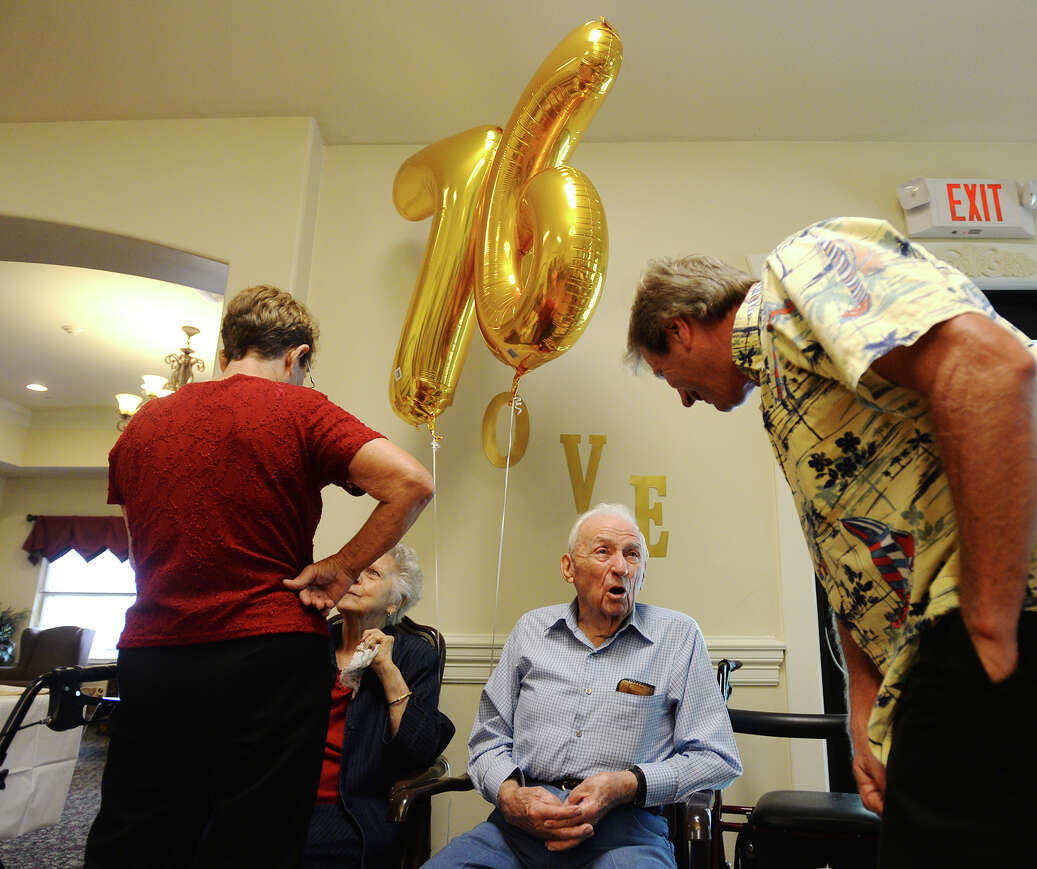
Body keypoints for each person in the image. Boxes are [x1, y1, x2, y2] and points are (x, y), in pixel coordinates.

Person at [626, 217, 1037, 868]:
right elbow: (846, 547)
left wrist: (987, 620)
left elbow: (986, 366)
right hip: (980, 640)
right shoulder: (781, 394)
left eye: (665, 373)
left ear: (677, 328)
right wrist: (864, 703)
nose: (680, 398)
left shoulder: (799, 270)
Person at [87, 285, 434, 869]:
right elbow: (412, 484)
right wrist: (341, 566)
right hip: (266, 654)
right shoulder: (299, 408)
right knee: (253, 839)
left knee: (137, 831)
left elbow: (137, 543)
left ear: (227, 351)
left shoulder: (143, 424)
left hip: (154, 656)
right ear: (296, 358)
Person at [425, 503, 741, 869]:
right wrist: (511, 797)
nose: (620, 567)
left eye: (632, 555)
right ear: (568, 568)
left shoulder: (678, 636)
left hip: (626, 834)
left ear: (642, 573)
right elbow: (488, 739)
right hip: (518, 830)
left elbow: (717, 758)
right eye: (603, 552)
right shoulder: (531, 630)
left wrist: (626, 784)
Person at [303, 544, 454, 868]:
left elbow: (419, 749)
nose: (354, 578)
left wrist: (387, 670)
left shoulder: (413, 656)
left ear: (394, 603)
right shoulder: (312, 643)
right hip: (288, 798)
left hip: (352, 809)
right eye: (353, 569)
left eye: (371, 573)